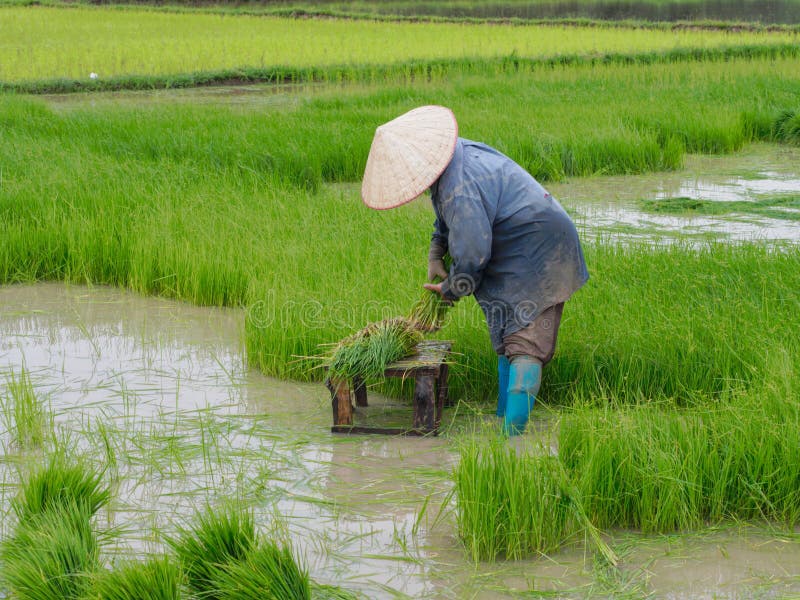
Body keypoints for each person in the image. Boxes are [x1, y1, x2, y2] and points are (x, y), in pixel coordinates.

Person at [361, 106, 588, 435]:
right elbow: (448, 218)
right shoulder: (454, 157)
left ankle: (512, 442)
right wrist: (436, 251)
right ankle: (502, 417)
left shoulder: (460, 186)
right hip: (516, 242)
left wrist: (450, 290)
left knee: (526, 340)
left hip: (541, 250)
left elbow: (473, 254)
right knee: (507, 332)